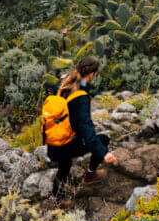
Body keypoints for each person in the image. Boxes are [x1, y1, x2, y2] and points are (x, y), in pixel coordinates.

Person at [45, 55, 118, 199]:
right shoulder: (81, 96)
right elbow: (86, 127)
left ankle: (55, 199)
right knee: (103, 139)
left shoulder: (64, 82)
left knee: (64, 165)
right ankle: (90, 174)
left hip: (54, 139)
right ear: (91, 74)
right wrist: (104, 153)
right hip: (67, 142)